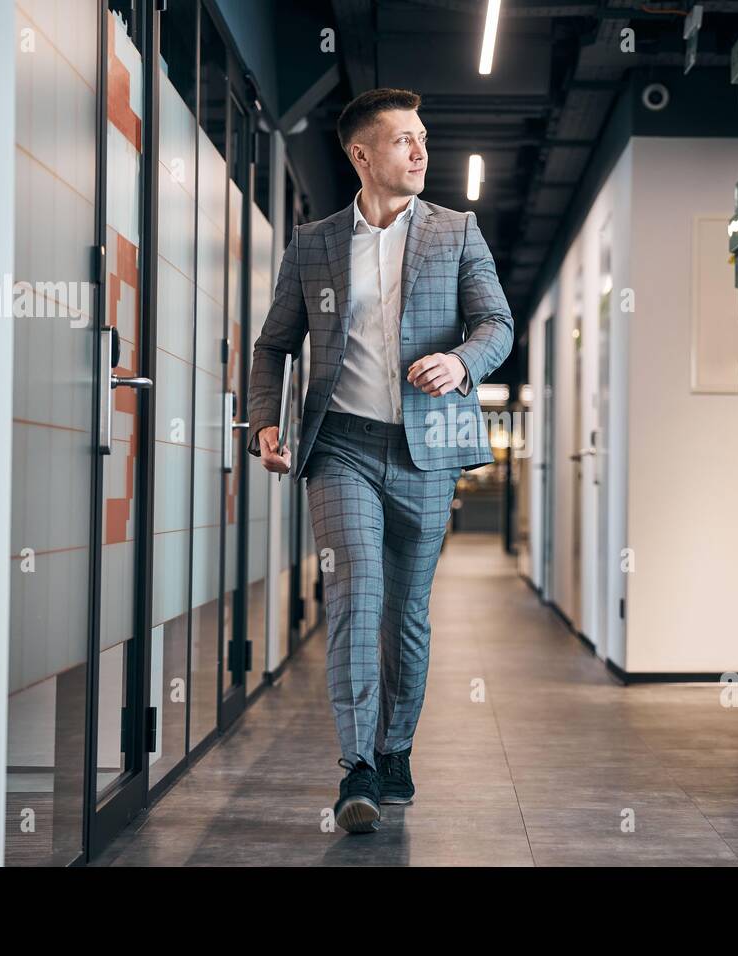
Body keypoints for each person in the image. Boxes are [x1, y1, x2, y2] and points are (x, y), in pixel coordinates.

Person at [245, 88, 513, 834]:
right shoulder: (316, 244)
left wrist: (461, 364)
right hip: (342, 448)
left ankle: (396, 748)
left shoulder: (457, 232)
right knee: (357, 590)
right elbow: (274, 345)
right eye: (404, 140)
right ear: (362, 155)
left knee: (407, 612)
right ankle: (358, 763)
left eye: (424, 137)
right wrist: (266, 422)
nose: (422, 151)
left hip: (425, 454)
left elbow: (497, 323)